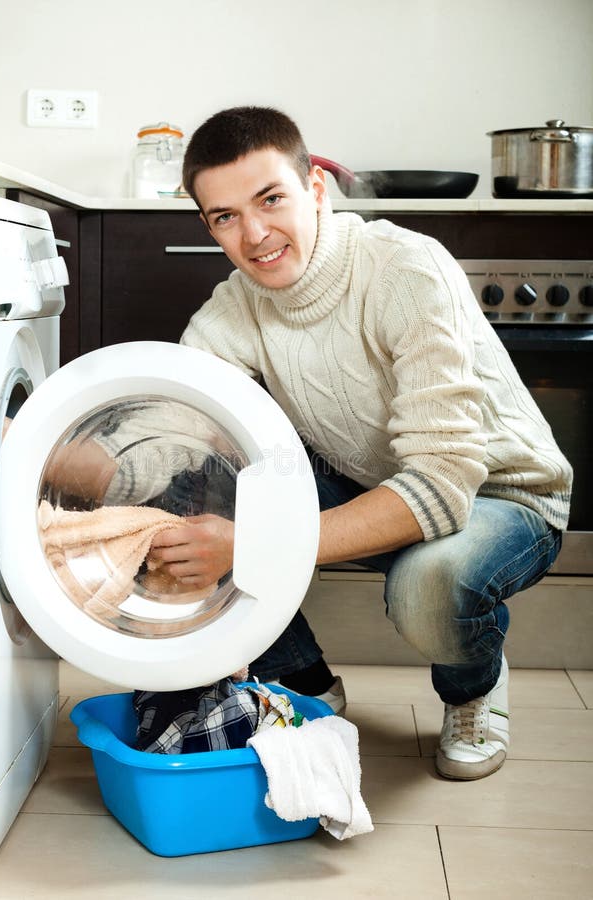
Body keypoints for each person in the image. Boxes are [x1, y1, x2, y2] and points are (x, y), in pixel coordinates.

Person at [147, 106, 572, 780]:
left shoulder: (404, 268)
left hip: (502, 494)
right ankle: (306, 687)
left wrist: (250, 546)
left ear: (316, 189)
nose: (254, 235)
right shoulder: (235, 307)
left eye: (271, 199)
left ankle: (473, 689)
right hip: (368, 482)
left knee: (429, 584)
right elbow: (170, 436)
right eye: (225, 216)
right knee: (191, 492)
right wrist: (39, 446)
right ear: (208, 225)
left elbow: (440, 484)